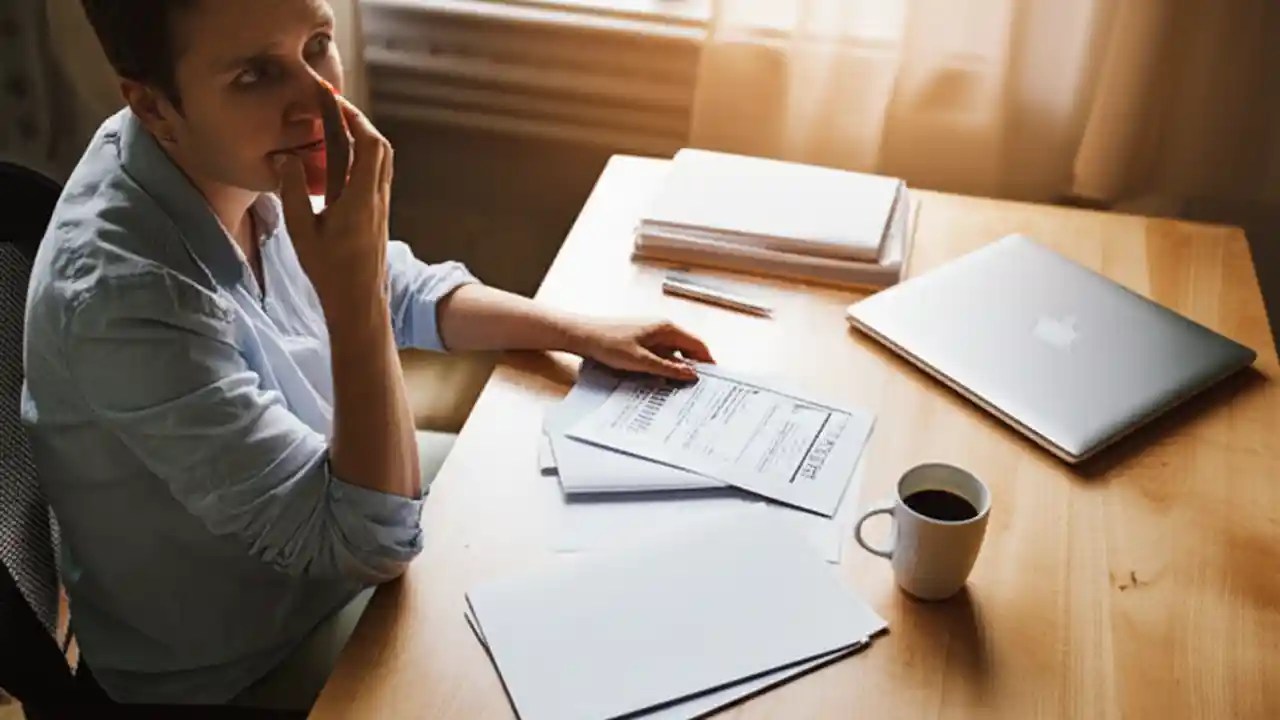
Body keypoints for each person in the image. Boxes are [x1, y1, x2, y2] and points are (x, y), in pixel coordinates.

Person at [21, 0, 713, 709]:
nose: (317, 99)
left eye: (317, 44)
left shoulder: (225, 153)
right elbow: (370, 541)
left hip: (341, 524)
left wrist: (580, 331)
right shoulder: (125, 301)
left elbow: (399, 287)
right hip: (243, 665)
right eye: (256, 74)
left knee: (582, 506)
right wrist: (350, 293)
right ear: (152, 106)